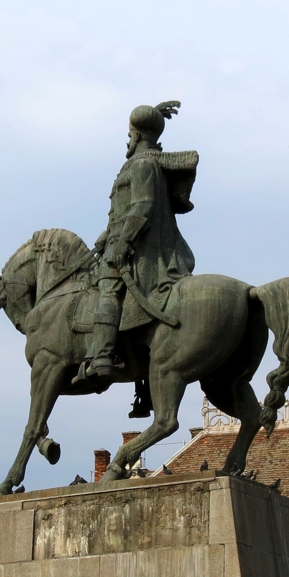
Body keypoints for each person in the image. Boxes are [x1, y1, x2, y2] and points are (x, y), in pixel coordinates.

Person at [75, 101, 197, 384]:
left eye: (131, 135)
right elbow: (125, 209)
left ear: (138, 136)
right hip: (125, 239)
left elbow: (142, 206)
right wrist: (107, 235)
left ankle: (102, 357)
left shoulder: (142, 165)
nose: (128, 141)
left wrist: (121, 242)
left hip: (139, 248)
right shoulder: (149, 162)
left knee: (107, 288)